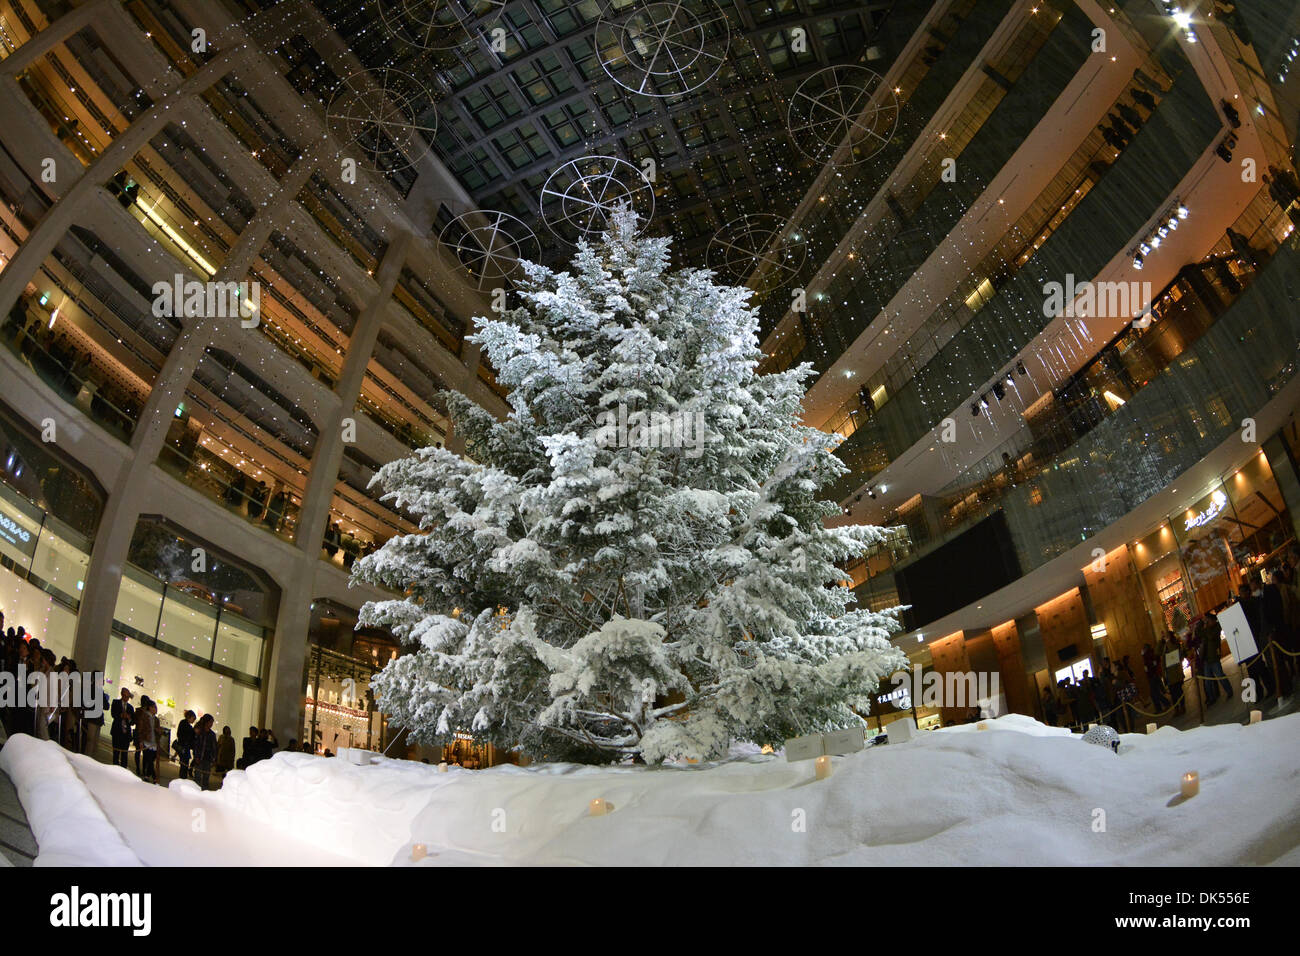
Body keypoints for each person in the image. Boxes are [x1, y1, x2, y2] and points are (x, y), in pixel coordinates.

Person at [191, 714, 218, 791]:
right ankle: (195, 791)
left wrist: (214, 759)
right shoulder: (199, 731)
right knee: (198, 776)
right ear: (206, 722)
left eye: (212, 722)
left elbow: (214, 748)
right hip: (199, 757)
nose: (211, 724)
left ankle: (204, 792)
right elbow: (195, 745)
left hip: (207, 759)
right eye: (211, 722)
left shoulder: (212, 734)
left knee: (206, 777)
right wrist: (196, 756)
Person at [109, 689, 134, 768]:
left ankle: (123, 770)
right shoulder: (115, 702)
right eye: (125, 696)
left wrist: (129, 718)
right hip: (117, 731)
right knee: (116, 753)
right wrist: (121, 715)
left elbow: (132, 722)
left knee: (124, 754)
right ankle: (115, 768)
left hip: (126, 734)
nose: (126, 698)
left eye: (128, 697)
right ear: (122, 695)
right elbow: (113, 714)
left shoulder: (130, 707)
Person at [138, 700, 159, 784]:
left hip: (154, 743)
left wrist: (159, 731)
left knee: (151, 760)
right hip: (146, 742)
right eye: (154, 707)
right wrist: (140, 741)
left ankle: (147, 775)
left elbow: (158, 729)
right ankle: (154, 777)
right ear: (150, 708)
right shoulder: (144, 716)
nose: (155, 709)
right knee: (149, 760)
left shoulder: (156, 719)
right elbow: (140, 729)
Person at [175, 710, 196, 780]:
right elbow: (182, 735)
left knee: (184, 764)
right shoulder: (185, 724)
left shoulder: (184, 723)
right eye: (193, 719)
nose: (193, 720)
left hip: (184, 746)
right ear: (189, 717)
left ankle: (182, 777)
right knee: (184, 764)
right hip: (184, 747)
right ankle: (182, 778)